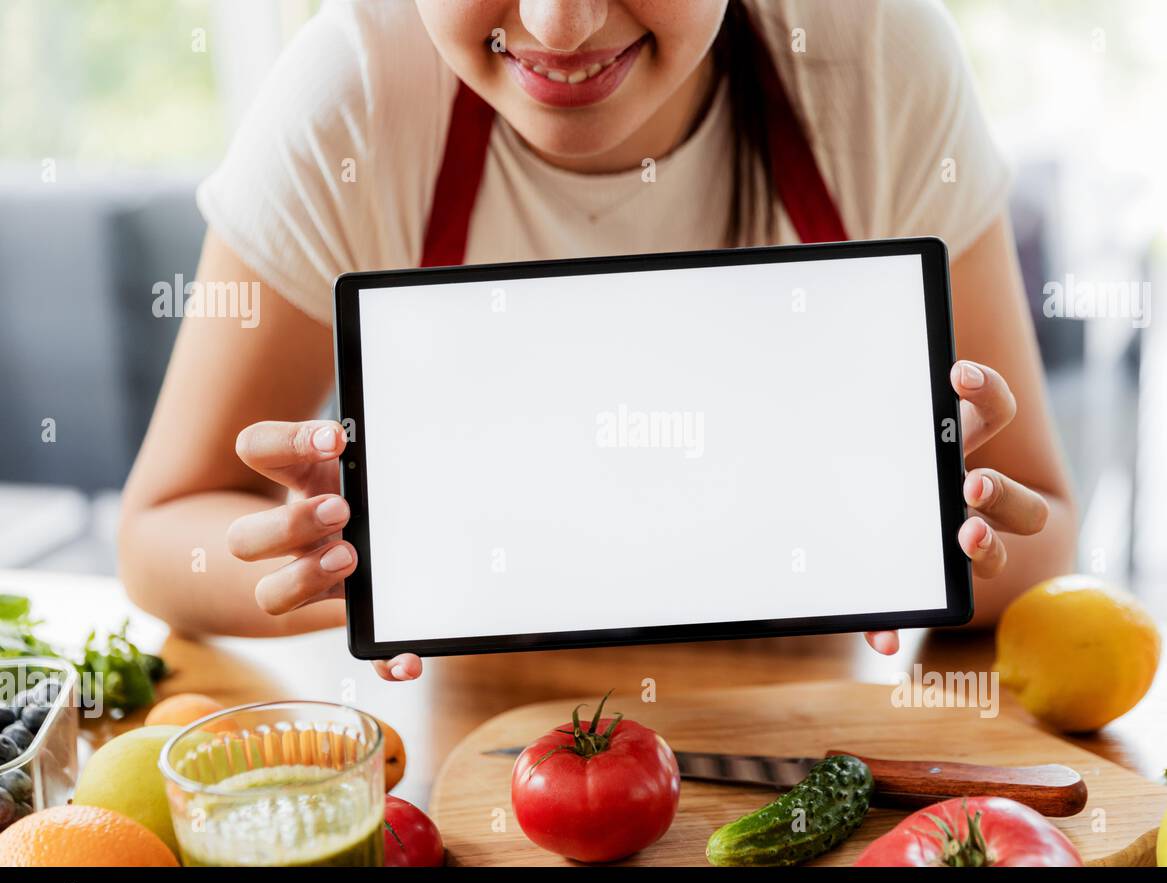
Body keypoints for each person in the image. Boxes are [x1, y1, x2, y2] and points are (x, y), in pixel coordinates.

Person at [119, 0, 1077, 681]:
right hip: (484, 759)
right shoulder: (352, 90)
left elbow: (1048, 526)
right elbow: (158, 534)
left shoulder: (877, 49)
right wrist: (358, 567)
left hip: (810, 734)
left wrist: (933, 537)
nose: (561, 25)